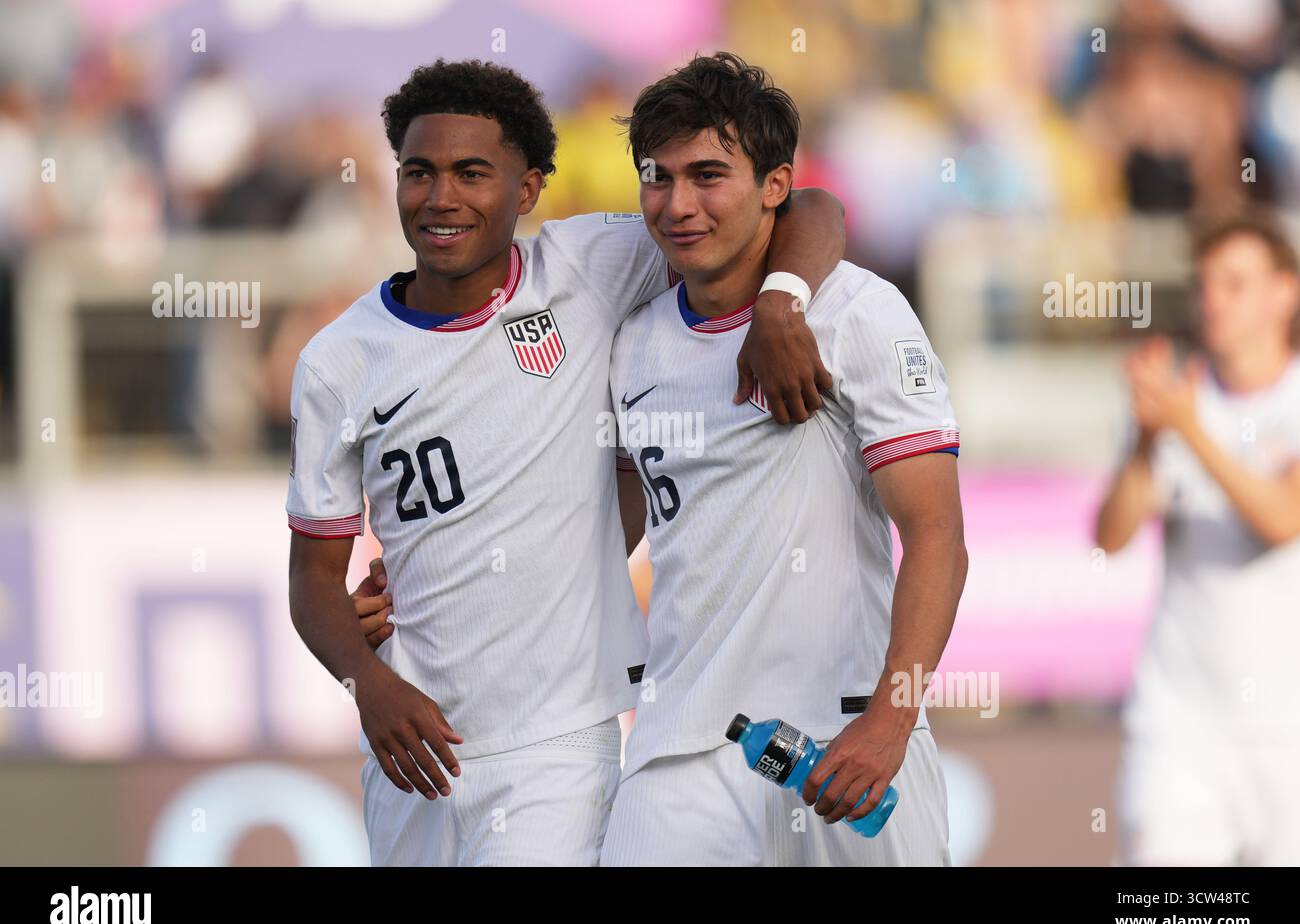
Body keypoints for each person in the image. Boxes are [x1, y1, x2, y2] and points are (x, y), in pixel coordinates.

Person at [288, 58, 845, 867]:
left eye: (472, 172)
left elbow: (810, 208)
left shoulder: (594, 266)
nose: (441, 197)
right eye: (419, 172)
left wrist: (782, 298)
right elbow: (312, 581)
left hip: (558, 747)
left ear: (528, 189)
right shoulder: (338, 361)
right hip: (409, 748)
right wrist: (366, 684)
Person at [598, 52, 965, 865]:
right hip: (678, 751)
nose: (677, 203)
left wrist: (889, 721)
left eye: (708, 175)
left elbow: (937, 534)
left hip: (837, 741)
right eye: (657, 177)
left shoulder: (859, 313)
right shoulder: (630, 342)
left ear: (774, 186)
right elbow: (605, 536)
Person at [1096, 213, 1300, 866]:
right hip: (1182, 722)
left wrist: (1188, 429)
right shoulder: (1175, 397)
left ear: (1286, 291)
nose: (1214, 300)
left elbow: (1280, 519)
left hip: (1286, 728)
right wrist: (1150, 439)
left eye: (1236, 283)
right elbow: (1112, 535)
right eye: (1206, 284)